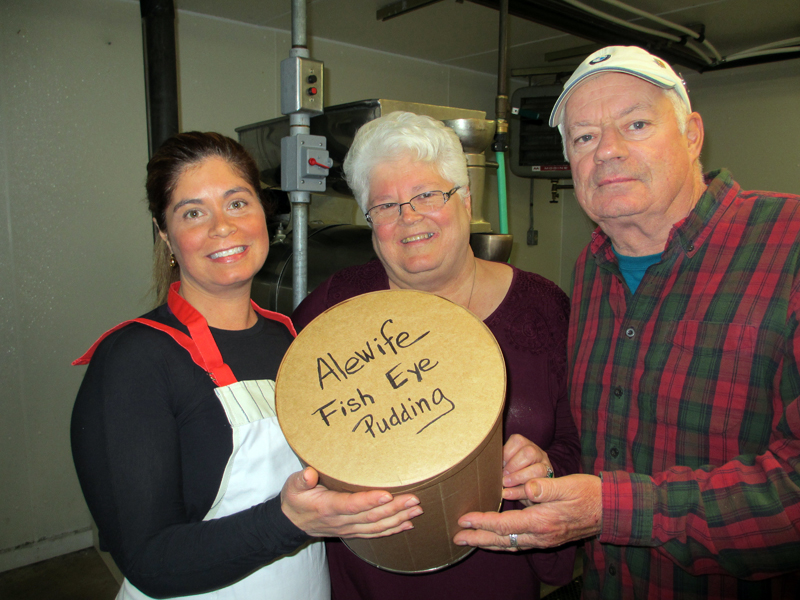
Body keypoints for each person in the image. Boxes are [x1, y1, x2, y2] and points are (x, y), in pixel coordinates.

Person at [454, 46, 800, 598]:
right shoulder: (592, 267)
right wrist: (548, 471)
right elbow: (607, 446)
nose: (608, 150)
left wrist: (611, 510)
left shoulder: (788, 244)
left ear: (692, 135)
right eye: (584, 137)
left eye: (636, 124)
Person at [70, 132, 422, 600]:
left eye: (237, 203)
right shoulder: (135, 360)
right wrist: (288, 521)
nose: (223, 227)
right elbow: (148, 561)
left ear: (263, 213)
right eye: (193, 213)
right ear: (164, 233)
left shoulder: (293, 341)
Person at [291, 111, 581, 600]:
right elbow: (285, 435)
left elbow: (583, 441)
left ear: (465, 199)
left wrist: (546, 470)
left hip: (499, 579)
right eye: (385, 205)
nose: (409, 217)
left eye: (427, 195)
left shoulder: (544, 309)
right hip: (368, 584)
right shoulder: (333, 309)